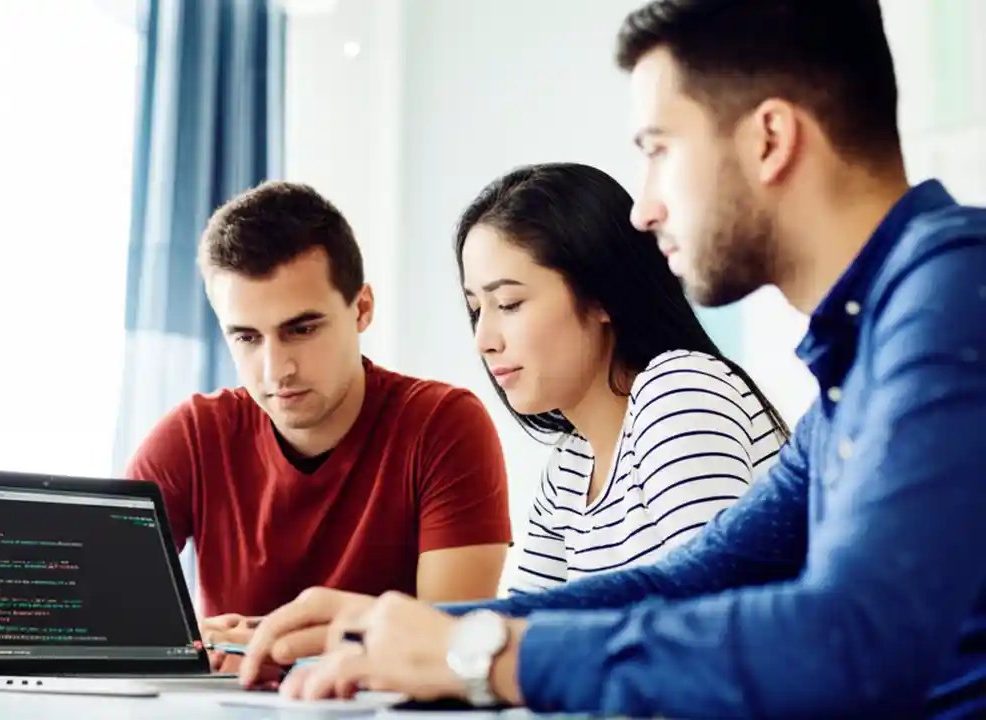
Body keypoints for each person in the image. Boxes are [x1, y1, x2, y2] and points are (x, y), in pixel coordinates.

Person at [238, 2, 986, 716]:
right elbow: (697, 577)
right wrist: (399, 632)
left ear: (769, 138)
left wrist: (482, 653)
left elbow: (853, 641)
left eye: (659, 150)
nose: (643, 208)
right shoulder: (864, 352)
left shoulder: (953, 291)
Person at [125, 181, 513, 630]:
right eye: (247, 337)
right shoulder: (192, 437)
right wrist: (192, 642)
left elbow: (446, 644)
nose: (276, 370)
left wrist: (271, 646)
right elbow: (105, 611)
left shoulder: (443, 426)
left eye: (302, 330)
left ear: (362, 308)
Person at [457, 162, 787, 594]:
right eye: (476, 310)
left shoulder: (679, 393)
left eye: (509, 303)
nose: (484, 341)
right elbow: (522, 621)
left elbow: (714, 614)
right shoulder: (571, 466)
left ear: (601, 297)